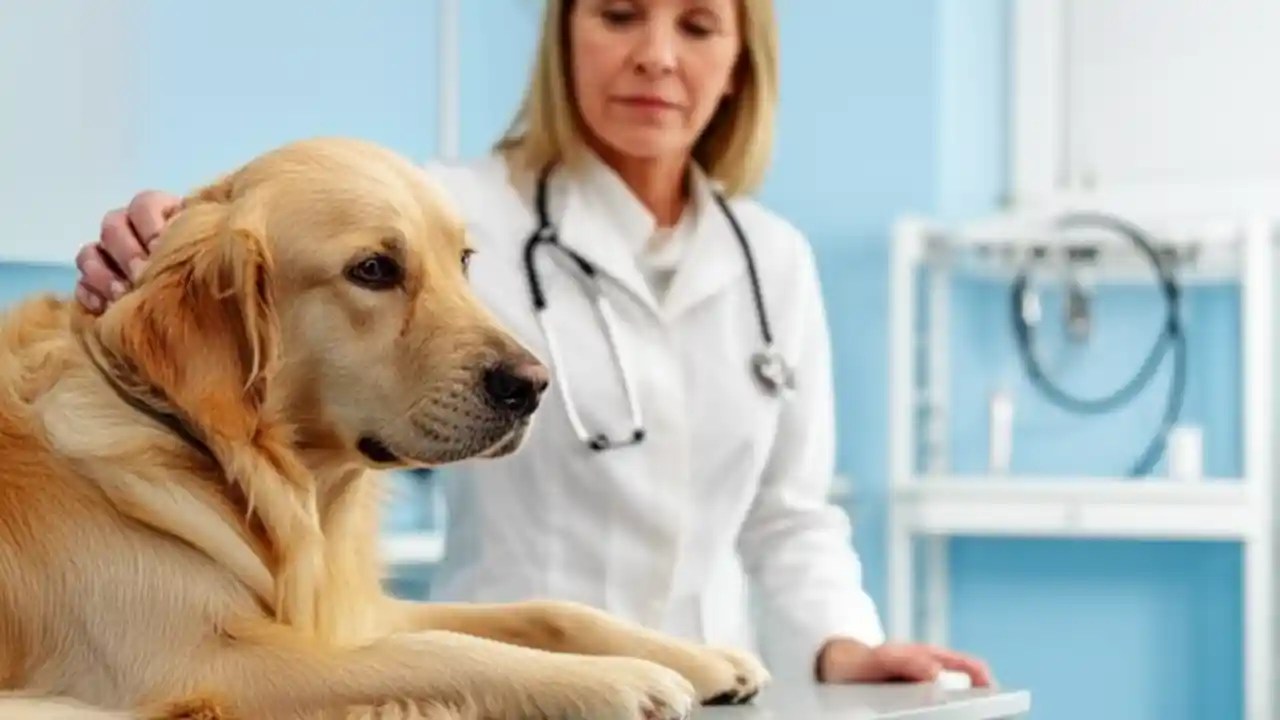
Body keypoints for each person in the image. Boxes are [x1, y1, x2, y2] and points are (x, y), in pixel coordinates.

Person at [74, 0, 992, 688]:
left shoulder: (773, 259)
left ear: (740, 64)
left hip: (707, 683)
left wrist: (844, 645)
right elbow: (291, 223)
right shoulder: (446, 208)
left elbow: (791, 517)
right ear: (564, 39)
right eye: (619, 15)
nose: (656, 55)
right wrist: (157, 229)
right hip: (494, 682)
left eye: (698, 25)